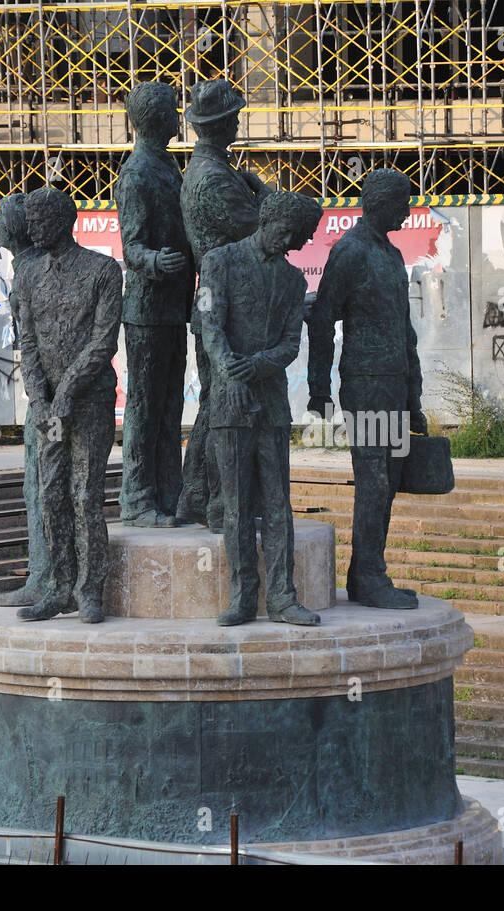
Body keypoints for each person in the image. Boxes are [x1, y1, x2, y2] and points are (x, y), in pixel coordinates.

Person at [197, 190, 323, 627]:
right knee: (235, 505)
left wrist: (256, 366)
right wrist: (234, 372)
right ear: (268, 220)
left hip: (270, 401)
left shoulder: (293, 282)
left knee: (277, 502)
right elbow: (208, 324)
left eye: (300, 237)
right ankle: (242, 597)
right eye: (289, 232)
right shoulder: (220, 261)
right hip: (229, 401)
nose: (294, 243)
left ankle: (283, 597)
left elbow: (290, 343)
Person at [307, 169, 426, 611]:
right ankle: (370, 577)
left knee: (389, 479)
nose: (408, 211)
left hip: (394, 382)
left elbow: (405, 329)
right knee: (374, 479)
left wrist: (414, 396)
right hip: (365, 381)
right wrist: (318, 388)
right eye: (403, 203)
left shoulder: (391, 255)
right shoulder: (350, 251)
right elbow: (322, 319)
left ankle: (368, 572)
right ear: (379, 203)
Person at [13, 187, 122, 624]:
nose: (32, 228)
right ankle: (58, 587)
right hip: (50, 412)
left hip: (88, 402)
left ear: (62, 221)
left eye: (38, 220)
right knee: (51, 492)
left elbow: (103, 341)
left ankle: (89, 589)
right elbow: (28, 343)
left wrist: (64, 394)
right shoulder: (28, 275)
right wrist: (41, 400)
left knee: (84, 495)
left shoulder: (102, 270)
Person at [176, 79, 272, 532]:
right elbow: (265, 234)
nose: (238, 122)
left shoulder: (212, 171)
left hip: (216, 304)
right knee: (225, 408)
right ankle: (216, 501)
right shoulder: (214, 178)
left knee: (216, 404)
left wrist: (249, 184)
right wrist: (266, 196)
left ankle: (195, 496)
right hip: (226, 308)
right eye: (233, 117)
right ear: (220, 124)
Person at [114, 82, 193, 527]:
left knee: (169, 405)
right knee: (145, 405)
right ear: (155, 120)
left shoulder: (166, 166)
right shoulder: (138, 173)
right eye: (172, 113)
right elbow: (132, 247)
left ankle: (169, 491)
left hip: (171, 307)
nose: (178, 120)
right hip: (146, 310)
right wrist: (154, 260)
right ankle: (138, 499)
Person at [0, 193, 52, 608]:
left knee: (39, 488)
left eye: (0, 223)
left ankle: (42, 578)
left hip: (44, 398)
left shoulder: (28, 275)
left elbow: (33, 346)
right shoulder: (33, 269)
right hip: (49, 394)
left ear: (13, 230)